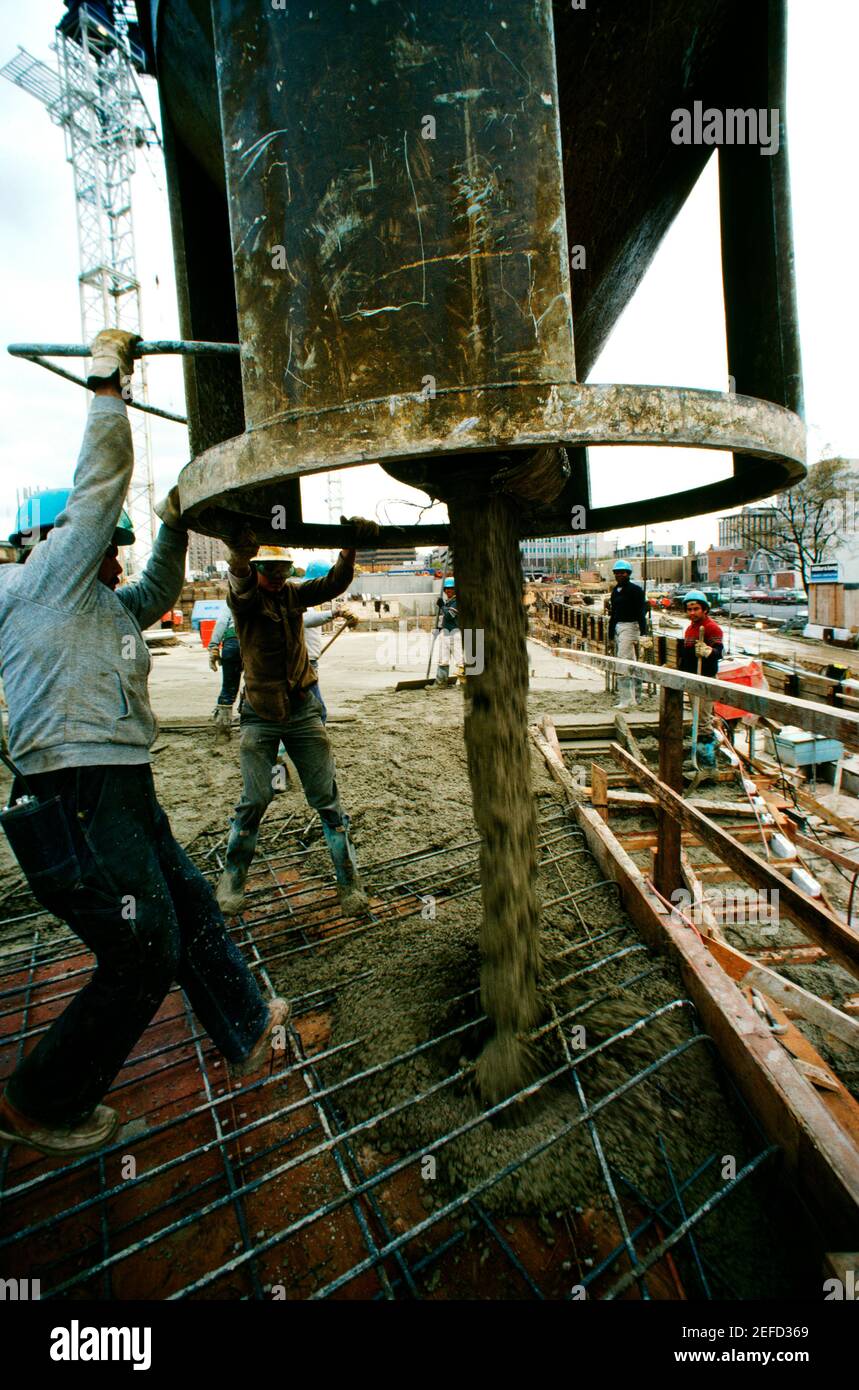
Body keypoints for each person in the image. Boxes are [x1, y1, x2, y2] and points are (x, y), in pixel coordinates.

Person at [0, 330, 287, 1161]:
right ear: (62, 542)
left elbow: (157, 588)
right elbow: (97, 491)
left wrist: (175, 522)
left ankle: (243, 1027)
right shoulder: (43, 582)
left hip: (119, 787)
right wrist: (106, 385)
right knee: (145, 948)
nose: (115, 558)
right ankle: (39, 1100)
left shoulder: (98, 608)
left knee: (189, 904)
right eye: (110, 545)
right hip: (76, 791)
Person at [215, 525, 378, 920]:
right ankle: (233, 877)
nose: (276, 576)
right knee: (255, 799)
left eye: (282, 569)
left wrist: (349, 548)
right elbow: (239, 582)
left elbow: (334, 583)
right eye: (268, 569)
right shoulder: (245, 601)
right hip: (260, 714)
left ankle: (348, 880)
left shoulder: (293, 594)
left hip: (303, 709)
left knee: (327, 799)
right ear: (256, 570)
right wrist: (239, 553)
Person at [680, 590, 724, 766]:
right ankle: (697, 757)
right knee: (697, 718)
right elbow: (686, 655)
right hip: (693, 678)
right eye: (689, 609)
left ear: (705, 609)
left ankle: (707, 763)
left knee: (703, 722)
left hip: (705, 678)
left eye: (696, 609)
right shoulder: (690, 628)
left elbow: (719, 652)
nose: (692, 612)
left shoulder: (711, 627)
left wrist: (708, 651)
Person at [607, 560, 651, 709]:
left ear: (628, 574)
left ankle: (626, 699)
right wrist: (610, 634)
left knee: (622, 661)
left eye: (623, 573)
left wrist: (644, 633)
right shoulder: (615, 591)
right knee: (631, 661)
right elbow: (613, 614)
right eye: (617, 573)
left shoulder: (635, 590)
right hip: (619, 627)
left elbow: (640, 612)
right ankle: (635, 698)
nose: (619, 575)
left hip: (631, 626)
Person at [208, 603, 242, 737]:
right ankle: (253, 728)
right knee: (256, 687)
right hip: (255, 643)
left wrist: (214, 646)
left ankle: (222, 733)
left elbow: (221, 622)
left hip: (232, 643)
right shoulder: (263, 597)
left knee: (228, 688)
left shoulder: (232, 601)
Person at [434, 576, 461, 686]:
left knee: (460, 660)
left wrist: (442, 606)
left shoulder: (457, 602)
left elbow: (450, 615)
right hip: (445, 633)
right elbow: (444, 618)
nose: (448, 590)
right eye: (446, 588)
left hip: (455, 634)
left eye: (451, 588)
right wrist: (438, 629)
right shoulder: (448, 602)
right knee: (443, 660)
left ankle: (466, 683)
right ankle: (441, 682)